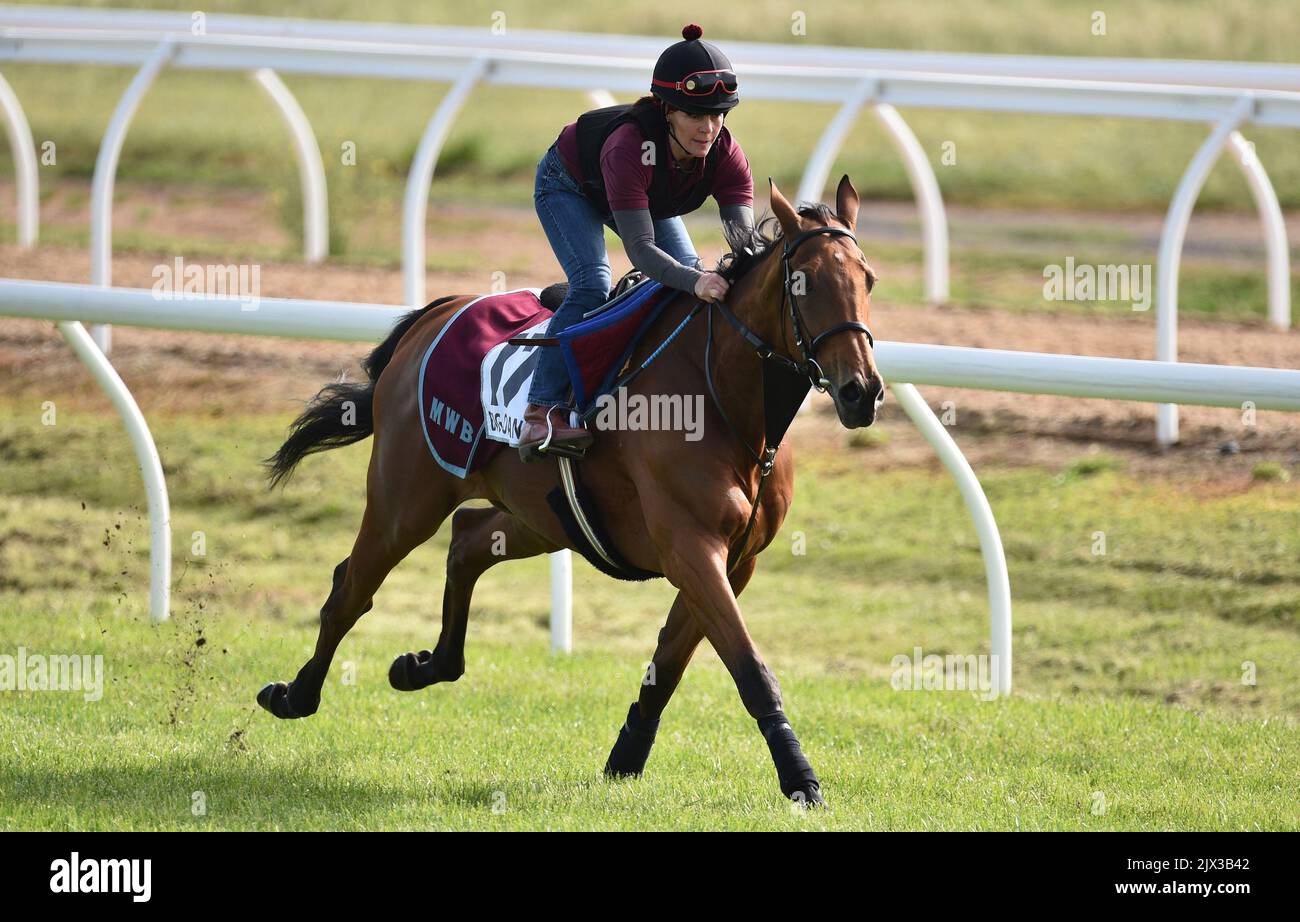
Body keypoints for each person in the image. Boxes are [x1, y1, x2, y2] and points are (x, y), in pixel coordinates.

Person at [518, 22, 755, 460]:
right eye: (695, 115)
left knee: (686, 287)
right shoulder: (629, 146)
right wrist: (696, 279)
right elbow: (643, 252)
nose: (709, 128)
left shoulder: (727, 153)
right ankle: (540, 413)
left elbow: (745, 246)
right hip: (569, 184)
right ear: (667, 110)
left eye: (719, 115)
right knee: (593, 282)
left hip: (640, 194)